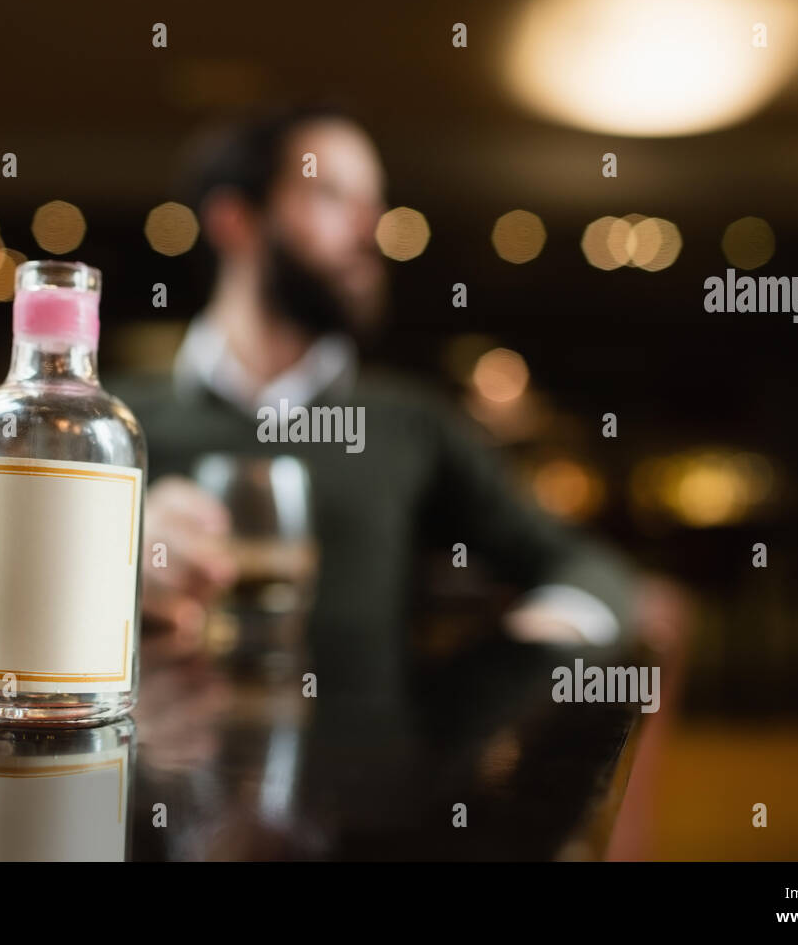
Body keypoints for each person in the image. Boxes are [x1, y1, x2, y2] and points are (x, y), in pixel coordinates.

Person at [116, 104, 637, 705]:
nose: (372, 230)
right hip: (144, 787)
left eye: (375, 203)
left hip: (363, 788)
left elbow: (582, 564)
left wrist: (530, 646)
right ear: (237, 220)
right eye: (332, 196)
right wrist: (119, 569)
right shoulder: (112, 423)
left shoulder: (410, 422)